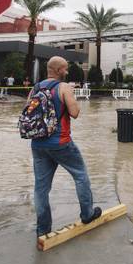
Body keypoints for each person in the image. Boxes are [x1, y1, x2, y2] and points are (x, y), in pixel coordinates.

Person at [30, 56, 101, 237]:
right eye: (66, 69)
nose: (67, 72)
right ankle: (87, 214)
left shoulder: (35, 88)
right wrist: (71, 94)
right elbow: (75, 113)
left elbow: (28, 113)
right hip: (61, 143)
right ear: (59, 70)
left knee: (41, 188)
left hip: (38, 144)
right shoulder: (64, 88)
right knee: (81, 176)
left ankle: (43, 229)